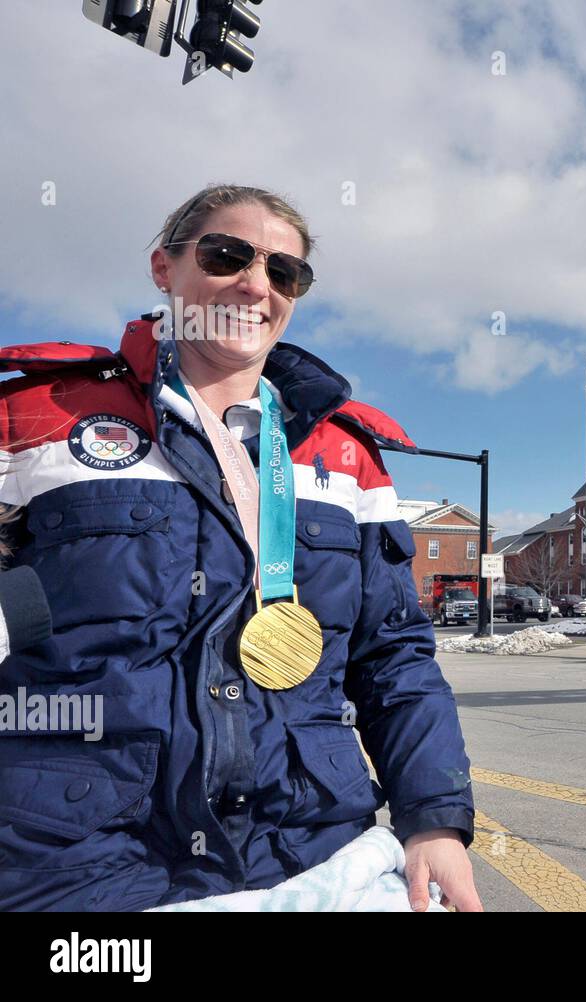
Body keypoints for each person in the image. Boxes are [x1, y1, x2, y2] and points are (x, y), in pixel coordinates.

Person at [0, 185, 481, 911]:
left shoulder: (348, 458)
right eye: (228, 255)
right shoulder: (35, 417)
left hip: (312, 854)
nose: (257, 285)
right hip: (77, 865)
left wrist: (434, 819)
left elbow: (393, 656)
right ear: (164, 267)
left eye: (285, 272)